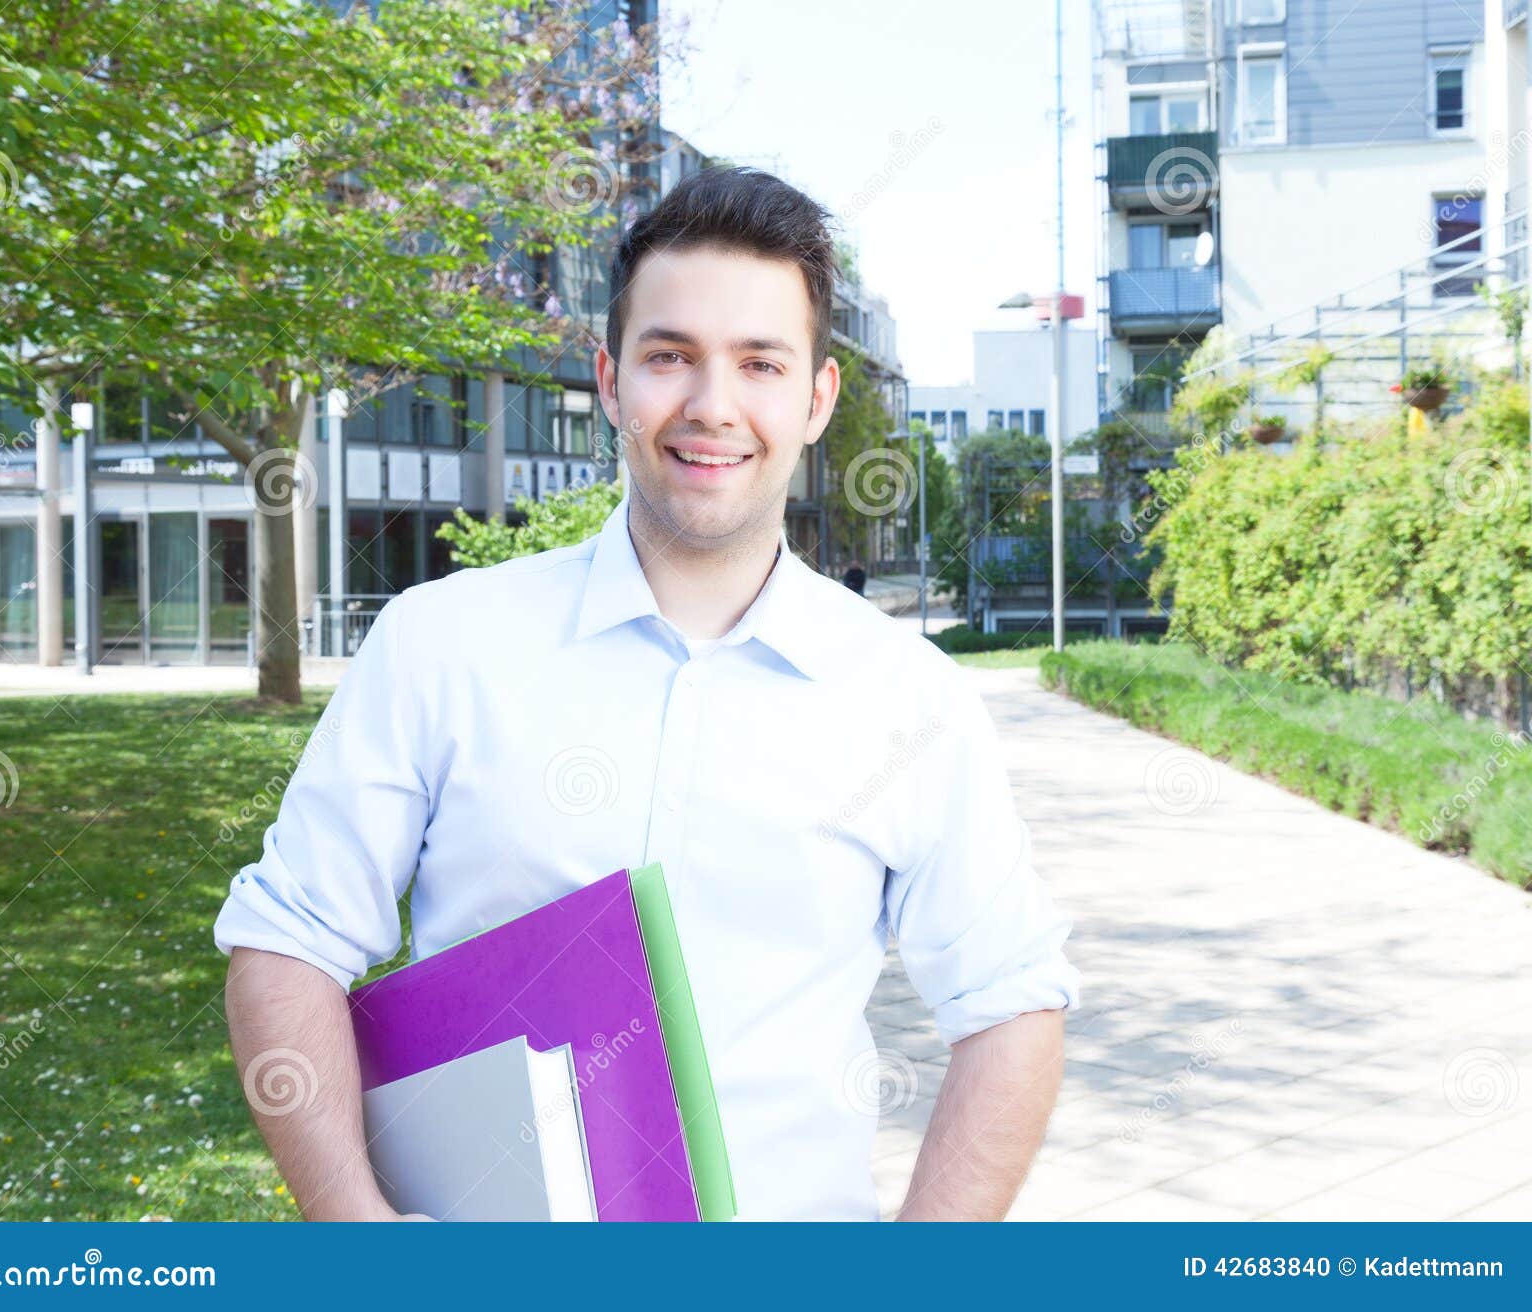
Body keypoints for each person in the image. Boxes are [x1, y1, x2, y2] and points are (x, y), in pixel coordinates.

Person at [214, 166, 1078, 1222]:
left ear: (816, 401)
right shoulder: (440, 645)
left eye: (760, 363)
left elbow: (1012, 1005)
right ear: (611, 381)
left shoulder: (909, 699)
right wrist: (360, 1234)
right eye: (670, 356)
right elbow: (286, 941)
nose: (712, 406)